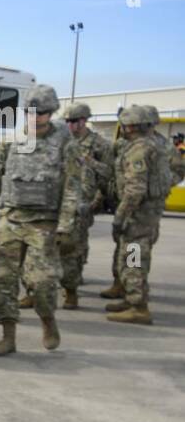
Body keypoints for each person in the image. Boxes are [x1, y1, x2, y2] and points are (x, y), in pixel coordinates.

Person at [0, 85, 81, 356]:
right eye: (30, 112)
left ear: (51, 112)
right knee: (1, 279)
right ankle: (8, 336)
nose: (35, 118)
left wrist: (66, 226)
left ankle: (48, 320)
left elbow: (73, 187)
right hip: (10, 219)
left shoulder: (66, 144)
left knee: (42, 283)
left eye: (41, 113)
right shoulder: (11, 141)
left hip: (44, 223)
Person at [104, 105, 168, 325]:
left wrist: (120, 216)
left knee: (132, 258)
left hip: (137, 217)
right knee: (137, 258)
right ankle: (132, 299)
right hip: (147, 214)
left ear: (130, 126)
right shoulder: (153, 146)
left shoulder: (138, 150)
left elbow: (135, 190)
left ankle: (138, 307)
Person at [58, 102, 112, 308]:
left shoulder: (99, 144)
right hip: (61, 198)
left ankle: (71, 288)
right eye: (67, 121)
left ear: (83, 121)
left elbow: (109, 173)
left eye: (73, 121)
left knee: (76, 245)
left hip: (84, 201)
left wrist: (89, 161)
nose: (70, 125)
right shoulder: (62, 142)